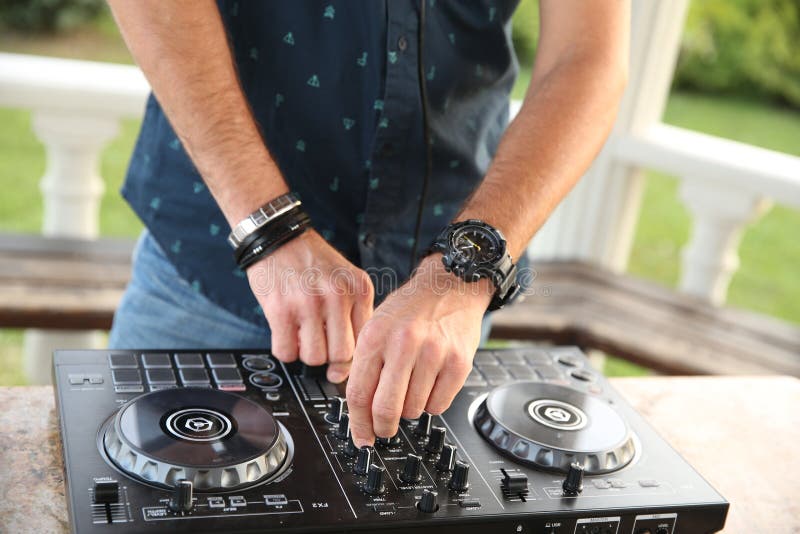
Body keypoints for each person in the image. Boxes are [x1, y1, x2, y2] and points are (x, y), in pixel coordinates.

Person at [107, 0, 629, 447]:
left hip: (442, 320)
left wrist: (463, 272)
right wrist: (268, 226)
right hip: (210, 276)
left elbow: (587, 56)